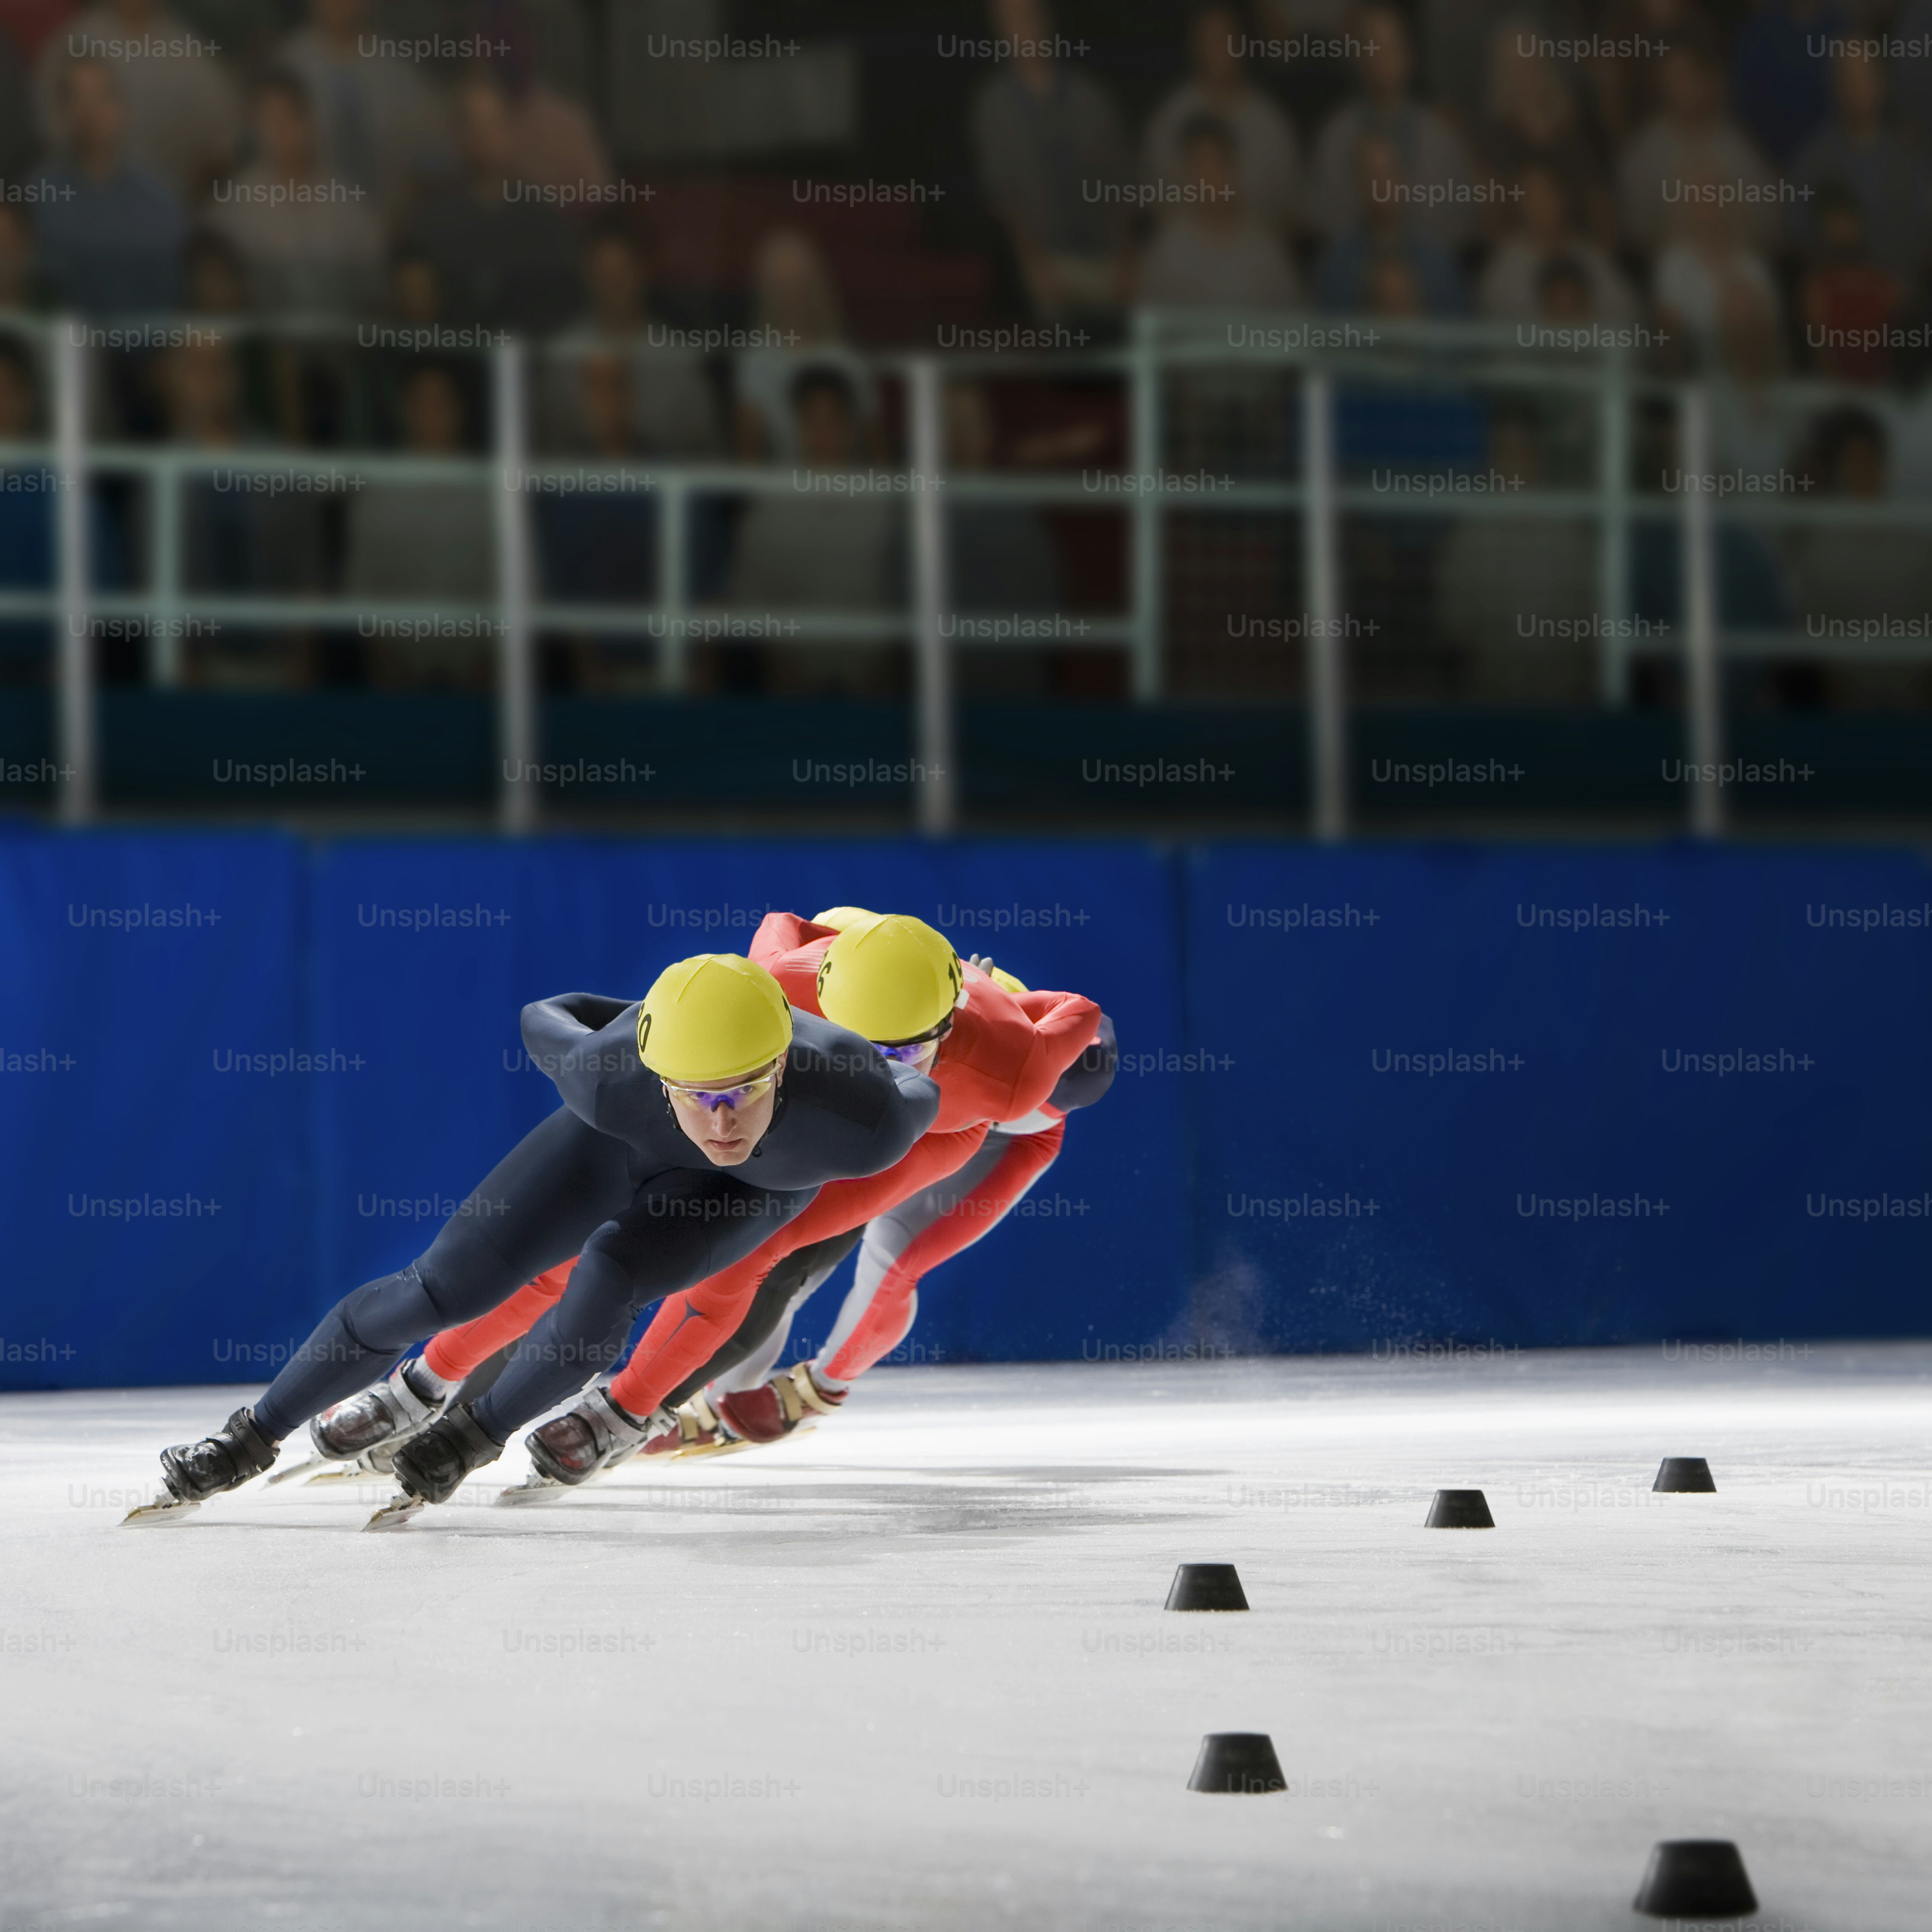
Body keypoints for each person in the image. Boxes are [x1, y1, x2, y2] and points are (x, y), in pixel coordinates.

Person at [138, 950, 944, 1520]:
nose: (721, 1121)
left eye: (742, 1090)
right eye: (695, 1094)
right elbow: (544, 1017)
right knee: (438, 1292)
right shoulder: (606, 1073)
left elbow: (922, 1087)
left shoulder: (860, 1117)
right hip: (613, 1145)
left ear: (784, 1069)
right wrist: (628, 1023)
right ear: (658, 1073)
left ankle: (470, 1435)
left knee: (607, 1277)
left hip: (748, 1196)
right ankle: (249, 1437)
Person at [329, 910, 1103, 1489]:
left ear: (952, 1020)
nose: (873, 1065)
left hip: (926, 1131)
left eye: (902, 1050)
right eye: (857, 1039)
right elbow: (779, 930)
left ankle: (626, 1410)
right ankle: (428, 1379)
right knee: (588, 1233)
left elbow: (1082, 1022)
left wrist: (1010, 992)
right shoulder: (784, 978)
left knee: (762, 1250)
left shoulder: (1014, 1068)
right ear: (822, 995)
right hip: (790, 1100)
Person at [666, 959, 1118, 1453]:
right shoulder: (846, 996)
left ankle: (822, 1388)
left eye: (909, 1047)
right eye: (876, 1047)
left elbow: (1092, 1052)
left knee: (894, 1255)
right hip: (899, 1125)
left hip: (988, 1136)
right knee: (784, 1259)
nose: (892, 1060)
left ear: (949, 1021)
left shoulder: (1014, 1046)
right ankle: (721, 1397)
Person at [724, 366, 903, 696]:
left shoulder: (883, 501)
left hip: (873, 685)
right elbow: (751, 594)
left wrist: (883, 672)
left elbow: (903, 595)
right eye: (813, 420)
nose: (824, 431)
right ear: (798, 426)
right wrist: (781, 668)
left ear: (851, 426)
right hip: (791, 685)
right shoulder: (770, 500)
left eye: (834, 419)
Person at [970, 0, 1134, 322]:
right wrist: (1033, 268)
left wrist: (1126, 262)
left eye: (1029, 15)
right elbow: (1004, 202)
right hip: (1042, 266)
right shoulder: (993, 107)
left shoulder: (1092, 99)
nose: (1023, 28)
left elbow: (1121, 188)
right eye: (1011, 19)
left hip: (1103, 259)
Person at [344, 361, 495, 687]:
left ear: (460, 410)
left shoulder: (491, 489)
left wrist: (489, 666)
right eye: (422, 403)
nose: (432, 413)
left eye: (442, 402)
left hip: (481, 685)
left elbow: (516, 584)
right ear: (406, 411)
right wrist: (390, 667)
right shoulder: (378, 490)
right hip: (398, 683)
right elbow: (363, 591)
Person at [398, 68, 581, 338]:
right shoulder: (433, 222)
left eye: (494, 123)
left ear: (512, 129)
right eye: (473, 125)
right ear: (458, 136)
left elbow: (565, 312)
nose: (484, 136)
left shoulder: (546, 223)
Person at [205, 69, 383, 319]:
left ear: (309, 120)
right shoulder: (232, 207)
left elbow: (373, 289)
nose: (281, 131)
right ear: (254, 130)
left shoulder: (348, 203)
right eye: (268, 121)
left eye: (288, 117)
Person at [1310, 3, 1475, 253]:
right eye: (1373, 48)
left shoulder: (1440, 138)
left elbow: (1456, 228)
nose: (1382, 59)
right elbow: (1325, 225)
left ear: (1410, 56)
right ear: (1358, 58)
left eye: (1391, 47)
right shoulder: (1336, 136)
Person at [35, 0, 241, 201]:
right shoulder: (75, 41)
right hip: (80, 194)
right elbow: (49, 121)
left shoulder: (187, 51)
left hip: (168, 201)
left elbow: (222, 137)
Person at [29, 57, 188, 315]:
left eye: (102, 97)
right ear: (61, 111)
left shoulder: (160, 200)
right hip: (58, 348)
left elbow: (178, 297)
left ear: (122, 108)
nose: (89, 110)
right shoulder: (35, 196)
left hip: (149, 348)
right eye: (77, 98)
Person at [1141, 3, 1301, 240]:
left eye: (1226, 39)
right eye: (1209, 39)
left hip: (1254, 258)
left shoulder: (1271, 124)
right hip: (1183, 256)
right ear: (1193, 45)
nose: (1218, 49)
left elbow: (1291, 215)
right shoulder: (1170, 120)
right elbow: (1154, 206)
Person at [275, 0, 451, 213]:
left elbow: (436, 151)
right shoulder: (288, 65)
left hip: (387, 224)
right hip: (303, 224)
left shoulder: (396, 67)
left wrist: (405, 210)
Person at [1617, 37, 1777, 254]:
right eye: (1674, 77)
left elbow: (1767, 224)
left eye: (1691, 75)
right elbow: (1640, 233)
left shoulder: (1737, 145)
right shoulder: (1644, 155)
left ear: (1708, 80)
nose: (1684, 86)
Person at [732, 227, 875, 463]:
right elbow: (749, 459)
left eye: (799, 284)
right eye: (781, 286)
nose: (792, 296)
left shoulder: (850, 362)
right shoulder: (756, 363)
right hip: (781, 493)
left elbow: (876, 456)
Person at [1789, 52, 1928, 288]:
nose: (1856, 88)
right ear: (1835, 87)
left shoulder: (1912, 154)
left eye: (1864, 76)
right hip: (1840, 300)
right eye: (1847, 79)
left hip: (1909, 300)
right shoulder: (1813, 160)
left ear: (1882, 81)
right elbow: (1797, 235)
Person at [1137, 112, 1303, 310]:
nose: (1207, 179)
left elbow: (1293, 324)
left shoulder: (1266, 251)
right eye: (1198, 168)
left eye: (1215, 165)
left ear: (1234, 170)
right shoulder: (1167, 249)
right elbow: (1148, 324)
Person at [1315, 133, 1467, 315]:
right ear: (1358, 185)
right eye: (1372, 175)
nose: (1382, 184)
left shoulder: (1438, 266)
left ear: (1405, 181)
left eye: (1388, 173)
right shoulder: (1337, 266)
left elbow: (1457, 335)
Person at [1477, 160, 1636, 324]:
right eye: (1531, 196)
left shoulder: (1591, 256)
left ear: (1563, 197)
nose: (1540, 203)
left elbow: (1624, 314)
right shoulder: (1506, 264)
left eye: (1547, 192)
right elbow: (1497, 327)